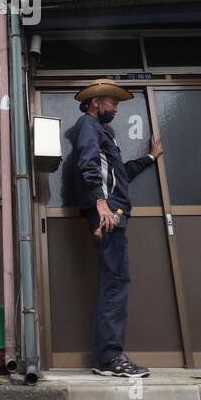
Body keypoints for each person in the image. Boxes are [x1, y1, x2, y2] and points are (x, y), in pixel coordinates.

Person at [62, 78, 163, 378]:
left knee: (114, 281)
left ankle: (105, 357)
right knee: (116, 282)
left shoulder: (103, 132)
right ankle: (111, 358)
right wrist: (101, 203)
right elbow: (89, 163)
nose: (116, 109)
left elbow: (119, 172)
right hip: (108, 214)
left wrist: (149, 158)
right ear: (96, 102)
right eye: (112, 102)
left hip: (112, 211)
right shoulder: (88, 127)